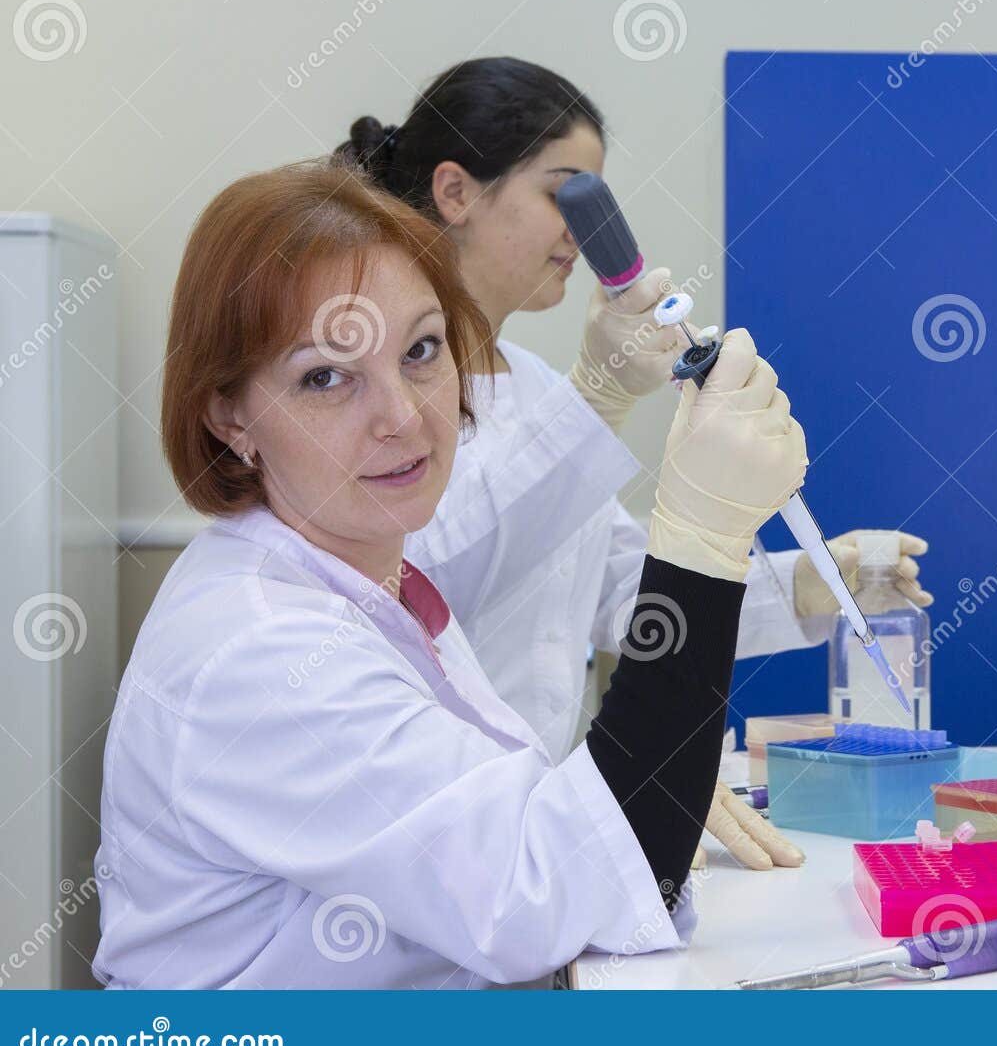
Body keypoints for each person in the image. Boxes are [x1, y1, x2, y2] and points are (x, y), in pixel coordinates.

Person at [92, 163, 806, 988]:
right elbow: (550, 890)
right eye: (325, 376)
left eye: (422, 350)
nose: (402, 416)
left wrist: (626, 788)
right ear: (230, 417)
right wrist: (701, 542)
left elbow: (501, 829)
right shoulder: (259, 652)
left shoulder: (367, 574)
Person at [336, 57, 932, 869]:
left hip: (531, 821)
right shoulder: (382, 392)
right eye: (563, 193)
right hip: (432, 829)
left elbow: (619, 591)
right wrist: (600, 396)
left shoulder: (536, 386)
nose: (580, 233)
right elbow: (425, 581)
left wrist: (800, 583)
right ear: (456, 191)